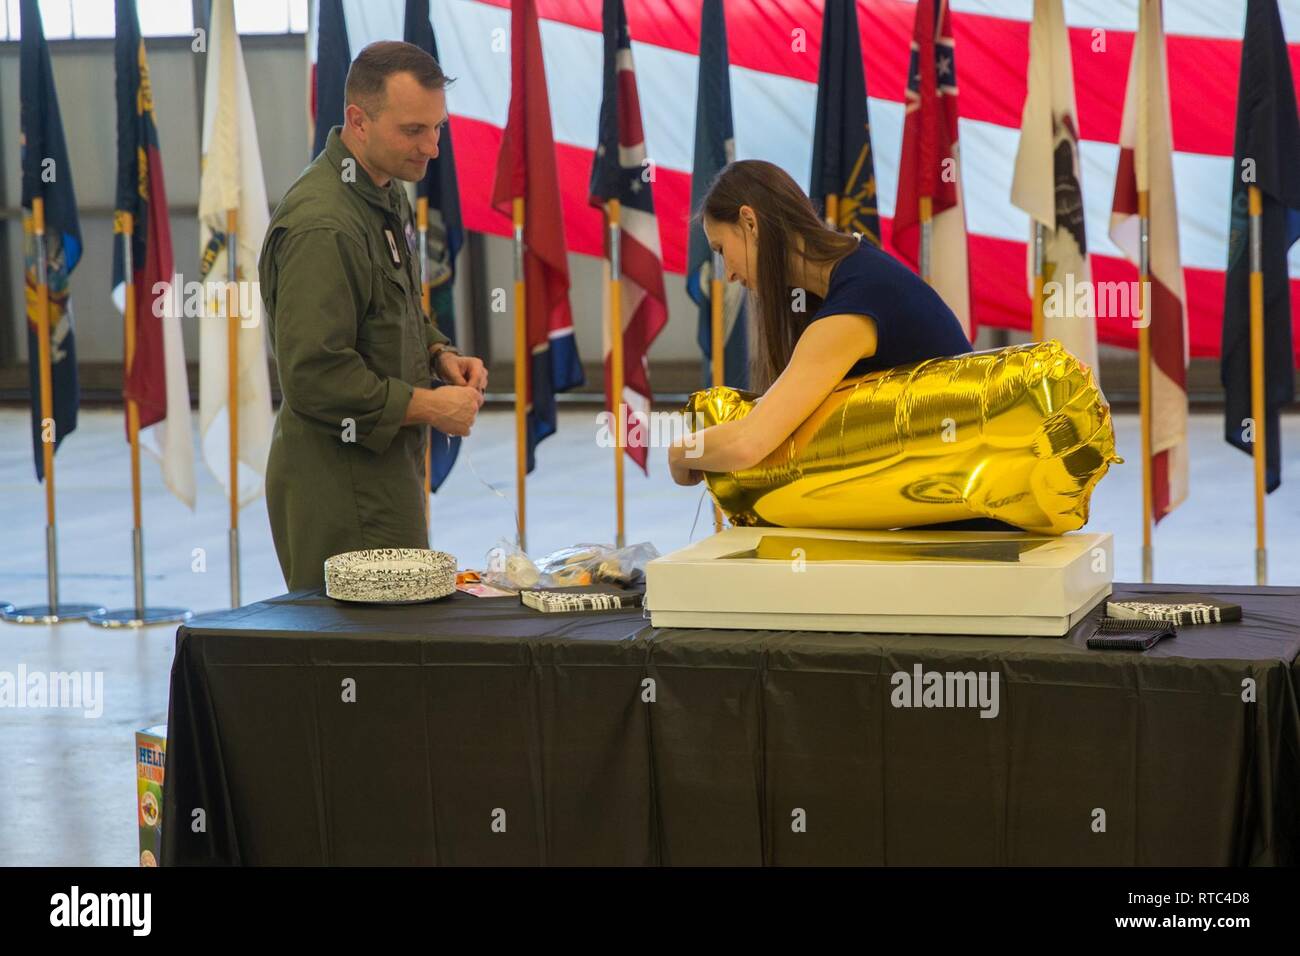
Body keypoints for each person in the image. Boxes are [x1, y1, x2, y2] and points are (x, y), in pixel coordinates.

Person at [259, 41, 488, 591]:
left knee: (394, 656)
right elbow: (314, 373)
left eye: (438, 128)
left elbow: (395, 307)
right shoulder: (325, 225)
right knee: (363, 663)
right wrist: (430, 405)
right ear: (357, 121)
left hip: (384, 469)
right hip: (342, 485)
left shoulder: (382, 195)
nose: (431, 147)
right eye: (414, 130)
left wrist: (439, 353)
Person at [668, 159, 971, 487]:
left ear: (750, 222)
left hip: (964, 515)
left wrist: (679, 452)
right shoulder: (852, 272)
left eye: (721, 249)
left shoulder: (855, 302)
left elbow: (748, 443)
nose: (727, 272)